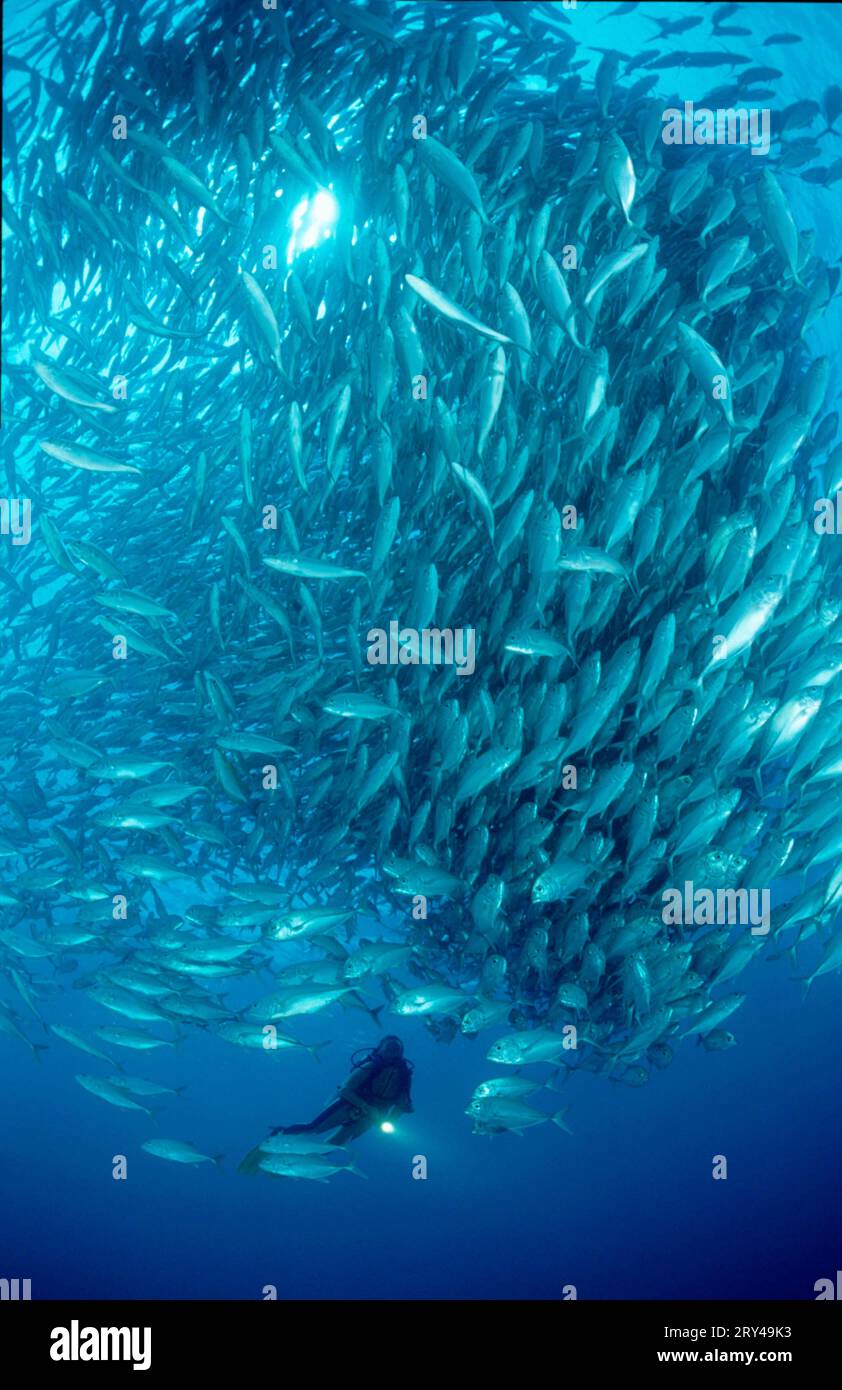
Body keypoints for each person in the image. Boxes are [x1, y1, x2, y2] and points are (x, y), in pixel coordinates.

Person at [273, 1036, 414, 1146]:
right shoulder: (371, 1066)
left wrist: (387, 1120)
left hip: (372, 1116)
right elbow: (345, 1089)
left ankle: (306, 1164)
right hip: (349, 1105)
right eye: (389, 1050)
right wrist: (366, 1107)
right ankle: (277, 1136)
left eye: (395, 1051)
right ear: (380, 1050)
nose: (392, 1054)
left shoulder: (404, 1076)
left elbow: (402, 1104)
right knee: (314, 1129)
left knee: (335, 1144)